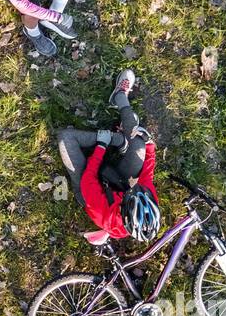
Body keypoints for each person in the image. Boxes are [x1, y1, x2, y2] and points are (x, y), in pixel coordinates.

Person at [57, 69, 161, 242]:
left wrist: (101, 146)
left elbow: (89, 178)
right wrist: (149, 145)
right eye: (139, 192)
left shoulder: (102, 213)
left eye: (131, 195)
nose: (137, 190)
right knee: (139, 146)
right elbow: (147, 175)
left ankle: (117, 140)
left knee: (65, 138)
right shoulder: (147, 198)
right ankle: (120, 98)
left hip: (89, 185)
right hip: (119, 181)